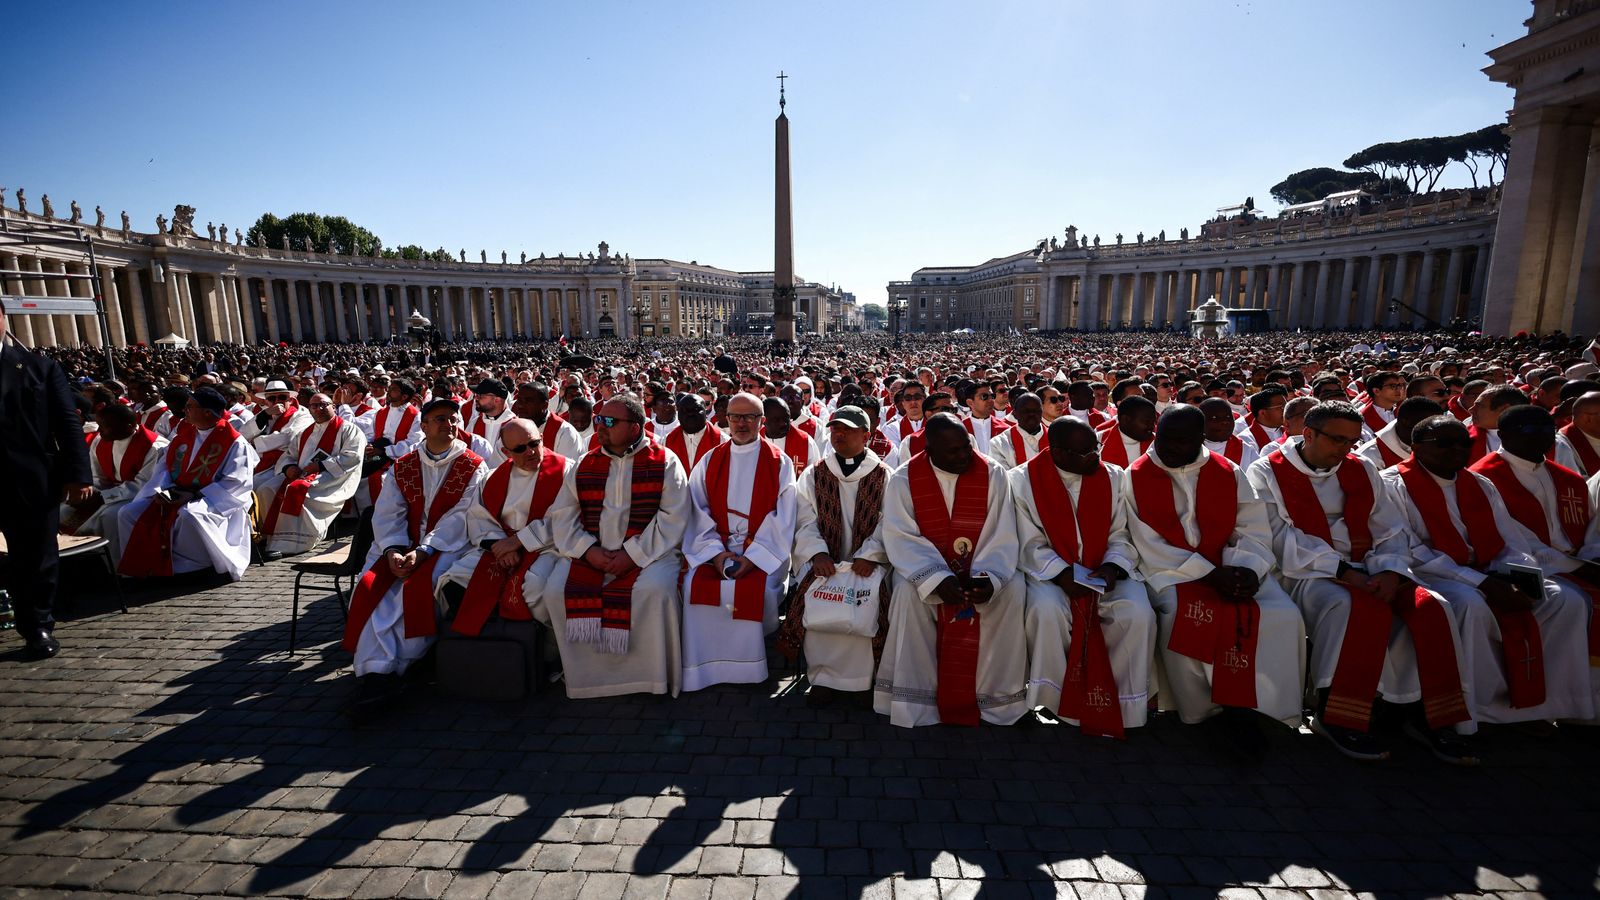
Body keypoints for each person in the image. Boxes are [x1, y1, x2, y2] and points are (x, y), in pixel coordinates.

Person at [1247, 402, 1475, 764]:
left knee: (1432, 607)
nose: (1345, 449)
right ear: (1307, 434)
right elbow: (1278, 537)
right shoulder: (1267, 471)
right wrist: (1343, 572)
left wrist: (1388, 570)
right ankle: (1337, 715)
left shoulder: (1362, 469)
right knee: (1351, 608)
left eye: (1352, 441)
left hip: (1371, 566)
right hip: (1307, 572)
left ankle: (1424, 714)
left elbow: (1390, 527)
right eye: (1337, 440)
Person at [1384, 415, 1594, 728]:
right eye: (1444, 444)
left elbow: (1510, 539)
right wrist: (1481, 582)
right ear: (1416, 447)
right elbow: (1411, 551)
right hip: (1430, 575)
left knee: (1566, 600)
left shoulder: (1479, 484)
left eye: (1463, 443)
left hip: (1487, 569)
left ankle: (1542, 706)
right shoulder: (1393, 485)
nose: (1456, 450)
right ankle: (1473, 712)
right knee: (1471, 605)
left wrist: (1518, 575)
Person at [1125, 406, 1305, 750]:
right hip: (1172, 572)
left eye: (1181, 441)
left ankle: (1265, 708)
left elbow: (1251, 527)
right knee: (1182, 613)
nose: (1168, 448)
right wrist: (1207, 574)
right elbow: (1146, 541)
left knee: (1282, 615)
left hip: (1233, 567)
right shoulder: (1136, 476)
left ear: (1200, 439)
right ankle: (1203, 710)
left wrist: (1247, 568)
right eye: (1163, 439)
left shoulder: (1227, 471)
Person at [534, 394, 692, 698]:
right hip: (592, 553)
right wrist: (587, 550)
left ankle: (651, 679)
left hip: (650, 555)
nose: (600, 426)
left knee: (655, 592)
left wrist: (632, 555)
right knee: (555, 590)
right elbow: (563, 516)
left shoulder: (665, 462)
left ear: (634, 427)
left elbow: (673, 518)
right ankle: (587, 679)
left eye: (609, 421)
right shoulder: (585, 463)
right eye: (599, 420)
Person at [875, 413, 1027, 727]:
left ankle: (994, 698)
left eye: (966, 447)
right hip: (925, 570)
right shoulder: (904, 479)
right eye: (953, 452)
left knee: (1013, 590)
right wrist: (936, 577)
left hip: (982, 567)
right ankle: (918, 701)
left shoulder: (993, 473)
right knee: (907, 593)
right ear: (929, 452)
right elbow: (901, 536)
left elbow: (1002, 530)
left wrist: (987, 578)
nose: (963, 456)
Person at [342, 399, 487, 718]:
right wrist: (393, 549)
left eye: (453, 418)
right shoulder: (404, 465)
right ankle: (373, 673)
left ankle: (395, 669)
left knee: (420, 588)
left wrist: (424, 550)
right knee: (370, 591)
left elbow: (463, 515)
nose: (448, 424)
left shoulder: (473, 465)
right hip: (398, 545)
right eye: (439, 419)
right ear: (423, 426)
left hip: (447, 547)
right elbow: (388, 512)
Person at [1012, 417, 1154, 737]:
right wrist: (1061, 573)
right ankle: (1055, 701)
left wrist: (1113, 566)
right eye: (1086, 453)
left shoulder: (1114, 478)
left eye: (1097, 448)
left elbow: (1124, 532)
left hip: (1106, 571)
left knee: (1137, 612)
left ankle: (1123, 702)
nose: (1096, 458)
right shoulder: (1022, 481)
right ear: (1058, 452)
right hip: (1049, 574)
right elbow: (1026, 541)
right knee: (1045, 611)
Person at [1467, 404, 1600, 716]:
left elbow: (1589, 527)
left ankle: (1587, 704)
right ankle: (1549, 703)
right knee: (1568, 601)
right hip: (1516, 565)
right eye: (1530, 431)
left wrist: (1591, 558)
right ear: (1504, 434)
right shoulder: (1484, 478)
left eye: (1547, 431)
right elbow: (1512, 540)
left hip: (1575, 563)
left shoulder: (1566, 478)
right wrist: (1581, 568)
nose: (1541, 438)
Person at [680, 392, 797, 690]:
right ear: (726, 419)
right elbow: (696, 511)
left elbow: (783, 519)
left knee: (754, 588)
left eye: (749, 417)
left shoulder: (778, 463)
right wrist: (716, 555)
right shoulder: (711, 460)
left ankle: (748, 667)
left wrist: (752, 558)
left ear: (761, 421)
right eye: (735, 417)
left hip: (761, 551)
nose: (741, 423)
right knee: (695, 584)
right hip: (716, 550)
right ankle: (703, 667)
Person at [779, 404, 892, 705]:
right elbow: (804, 519)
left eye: (848, 429)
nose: (839, 434)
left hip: (867, 565)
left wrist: (870, 554)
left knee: (865, 612)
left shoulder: (883, 475)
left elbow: (889, 521)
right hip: (824, 562)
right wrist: (816, 553)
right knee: (820, 613)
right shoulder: (815, 474)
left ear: (866, 435)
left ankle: (863, 680)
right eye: (835, 429)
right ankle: (823, 677)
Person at [0, 304, 93, 659]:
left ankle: (37, 624)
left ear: (4, 319)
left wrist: (77, 474)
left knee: (36, 557)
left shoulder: (38, 367)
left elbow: (67, 424)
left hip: (30, 479)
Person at [437, 419, 571, 637]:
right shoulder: (494, 477)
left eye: (534, 444)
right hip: (499, 546)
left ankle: (544, 651)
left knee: (536, 587)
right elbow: (480, 517)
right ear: (506, 452)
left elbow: (566, 517)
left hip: (547, 547)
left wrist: (518, 542)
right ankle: (480, 643)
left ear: (542, 439)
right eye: (519, 449)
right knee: (454, 577)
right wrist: (501, 545)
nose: (530, 452)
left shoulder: (567, 471)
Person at [118, 388, 258, 582]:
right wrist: (162, 491)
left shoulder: (234, 442)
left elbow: (236, 482)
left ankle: (195, 569)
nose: (185, 410)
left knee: (190, 514)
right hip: (177, 491)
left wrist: (194, 495)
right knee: (127, 512)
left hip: (215, 498)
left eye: (190, 407)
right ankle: (140, 569)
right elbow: (165, 469)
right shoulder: (183, 436)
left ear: (208, 412)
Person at [257, 392, 367, 560]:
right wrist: (289, 467)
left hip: (331, 476)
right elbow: (289, 454)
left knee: (297, 489)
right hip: (300, 473)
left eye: (324, 404)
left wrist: (320, 465)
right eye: (314, 406)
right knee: (266, 489)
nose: (319, 409)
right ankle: (268, 535)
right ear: (309, 409)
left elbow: (352, 457)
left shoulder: (349, 429)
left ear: (334, 406)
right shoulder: (304, 432)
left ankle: (292, 542)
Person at [61, 403, 168, 561]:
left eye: (106, 426)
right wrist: (92, 494)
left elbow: (142, 485)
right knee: (63, 510)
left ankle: (116, 566)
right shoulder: (100, 440)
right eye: (100, 425)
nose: (99, 430)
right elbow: (98, 477)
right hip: (109, 493)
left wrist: (102, 498)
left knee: (110, 516)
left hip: (141, 496)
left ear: (129, 426)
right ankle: (79, 560)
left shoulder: (154, 447)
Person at [242, 379, 312, 507]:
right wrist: (265, 415)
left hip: (287, 462)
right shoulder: (265, 413)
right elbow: (243, 434)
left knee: (260, 488)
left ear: (290, 399)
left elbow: (287, 438)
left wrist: (254, 445)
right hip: (263, 460)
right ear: (266, 401)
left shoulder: (302, 414)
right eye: (272, 399)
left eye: (282, 397)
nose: (277, 402)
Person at [1357, 396, 1444, 471]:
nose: (1436, 431)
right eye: (1429, 425)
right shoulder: (1369, 456)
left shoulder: (1443, 445)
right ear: (1406, 421)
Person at [513, 381, 586, 461]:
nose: (520, 405)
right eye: (519, 400)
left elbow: (569, 470)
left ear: (544, 405)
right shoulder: (513, 427)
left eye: (528, 401)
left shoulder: (565, 432)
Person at [663, 393, 724, 472]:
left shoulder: (722, 441)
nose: (690, 414)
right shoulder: (666, 441)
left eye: (696, 409)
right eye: (684, 410)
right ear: (678, 414)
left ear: (706, 412)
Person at [988, 392, 1047, 470]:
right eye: (1026, 411)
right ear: (1015, 413)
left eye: (1036, 410)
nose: (1032, 414)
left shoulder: (1055, 438)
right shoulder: (999, 443)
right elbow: (1002, 477)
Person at [760, 395, 819, 473]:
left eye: (786, 418)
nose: (783, 423)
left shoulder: (805, 442)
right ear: (763, 420)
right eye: (776, 420)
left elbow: (816, 474)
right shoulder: (754, 440)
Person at [466, 378, 516, 467]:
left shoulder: (515, 425)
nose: (476, 398)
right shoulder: (475, 423)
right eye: (476, 395)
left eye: (481, 395)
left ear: (497, 399)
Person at [1099, 396, 1156, 468]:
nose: (1152, 426)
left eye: (1154, 421)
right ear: (1125, 420)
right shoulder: (1099, 440)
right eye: (1147, 421)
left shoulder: (1158, 442)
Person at [1199, 397, 1258, 467]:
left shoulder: (1246, 451)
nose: (1224, 421)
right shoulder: (1189, 449)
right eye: (1214, 417)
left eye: (1228, 416)